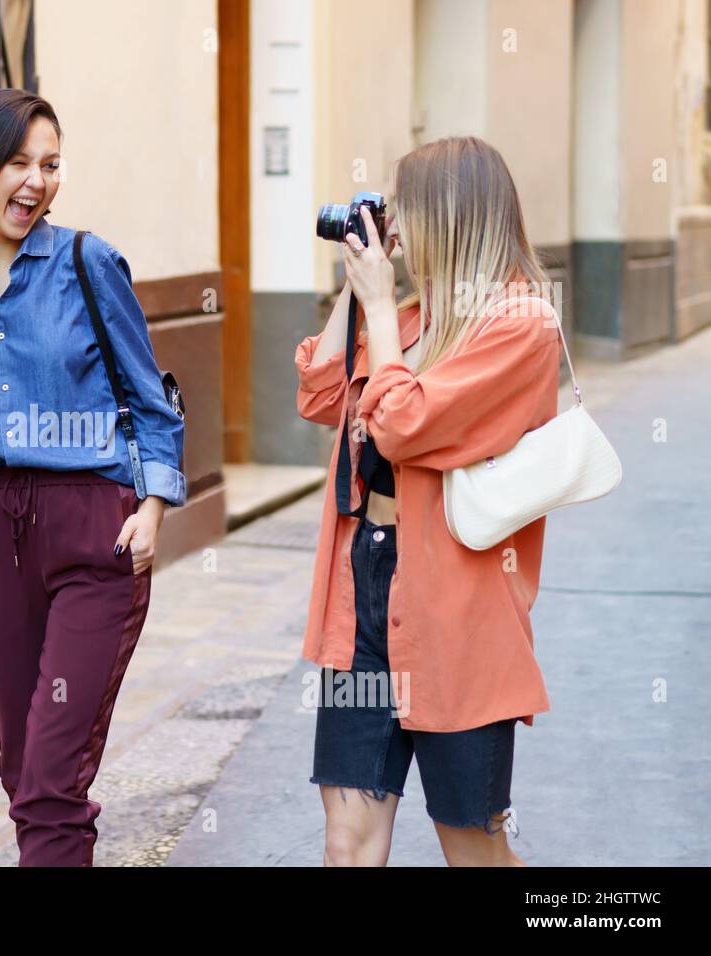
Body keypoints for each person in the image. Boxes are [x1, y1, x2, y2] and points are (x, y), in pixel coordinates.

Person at [0, 88, 186, 866]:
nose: (35, 181)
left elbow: (149, 397)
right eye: (17, 163)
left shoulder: (88, 264)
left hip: (97, 525)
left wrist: (154, 506)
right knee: (23, 765)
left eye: (50, 165)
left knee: (52, 778)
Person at [294, 135, 563, 866]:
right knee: (346, 843)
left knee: (472, 848)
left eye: (403, 206)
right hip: (364, 597)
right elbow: (320, 393)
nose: (395, 224)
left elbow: (405, 427)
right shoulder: (408, 316)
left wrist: (381, 308)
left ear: (450, 211)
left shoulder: (520, 324)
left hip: (458, 611)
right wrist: (359, 288)